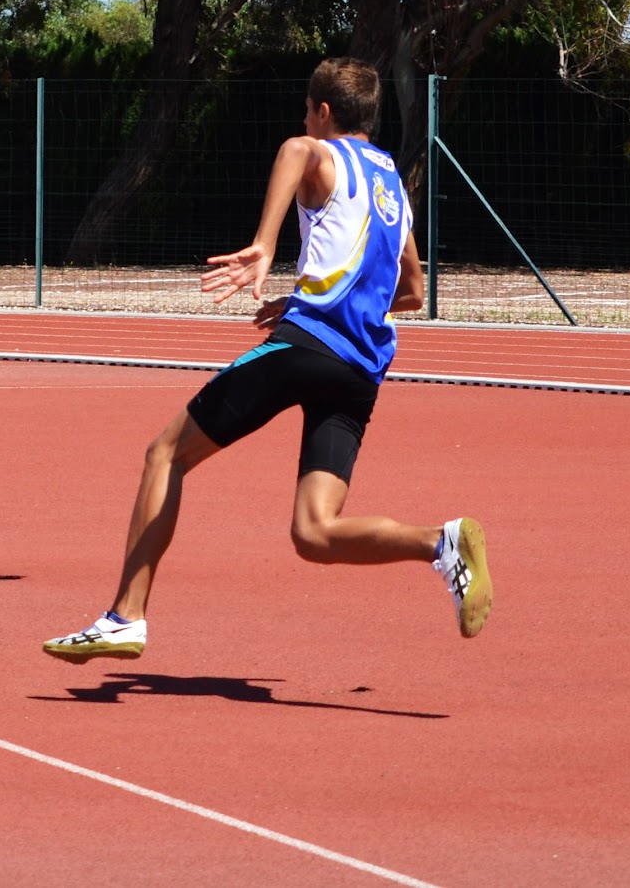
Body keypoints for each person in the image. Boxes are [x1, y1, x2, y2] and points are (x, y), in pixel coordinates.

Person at [42, 57, 493, 663]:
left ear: (324, 112)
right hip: (360, 373)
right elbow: (410, 292)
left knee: (165, 453)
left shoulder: (319, 153)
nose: (304, 123)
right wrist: (303, 290)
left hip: (309, 347)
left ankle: (126, 615)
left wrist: (265, 244)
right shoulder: (392, 181)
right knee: (313, 532)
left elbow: (297, 153)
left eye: (308, 112)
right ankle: (441, 544)